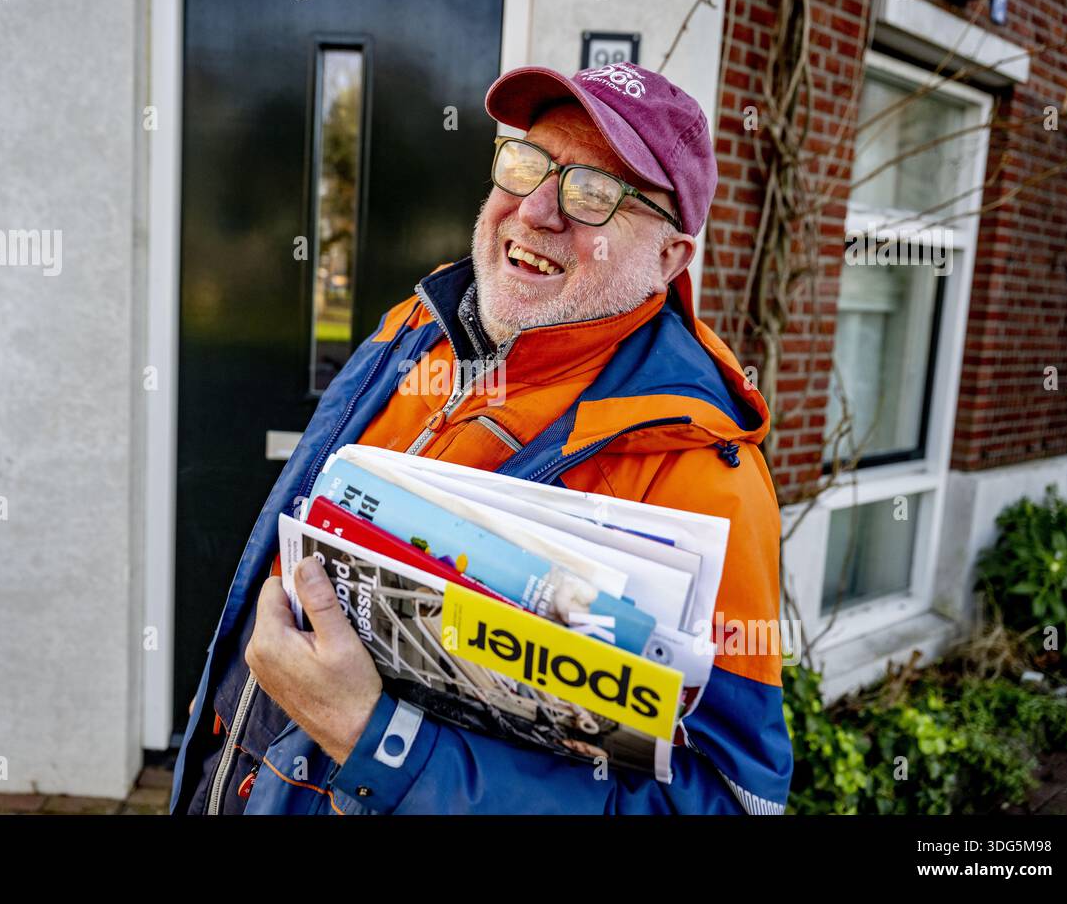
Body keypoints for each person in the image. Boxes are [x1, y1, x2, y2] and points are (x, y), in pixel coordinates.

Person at [171, 61, 793, 815]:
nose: (535, 211)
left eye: (595, 193)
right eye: (527, 162)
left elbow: (730, 802)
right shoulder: (419, 323)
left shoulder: (700, 470)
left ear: (669, 257)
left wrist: (378, 740)